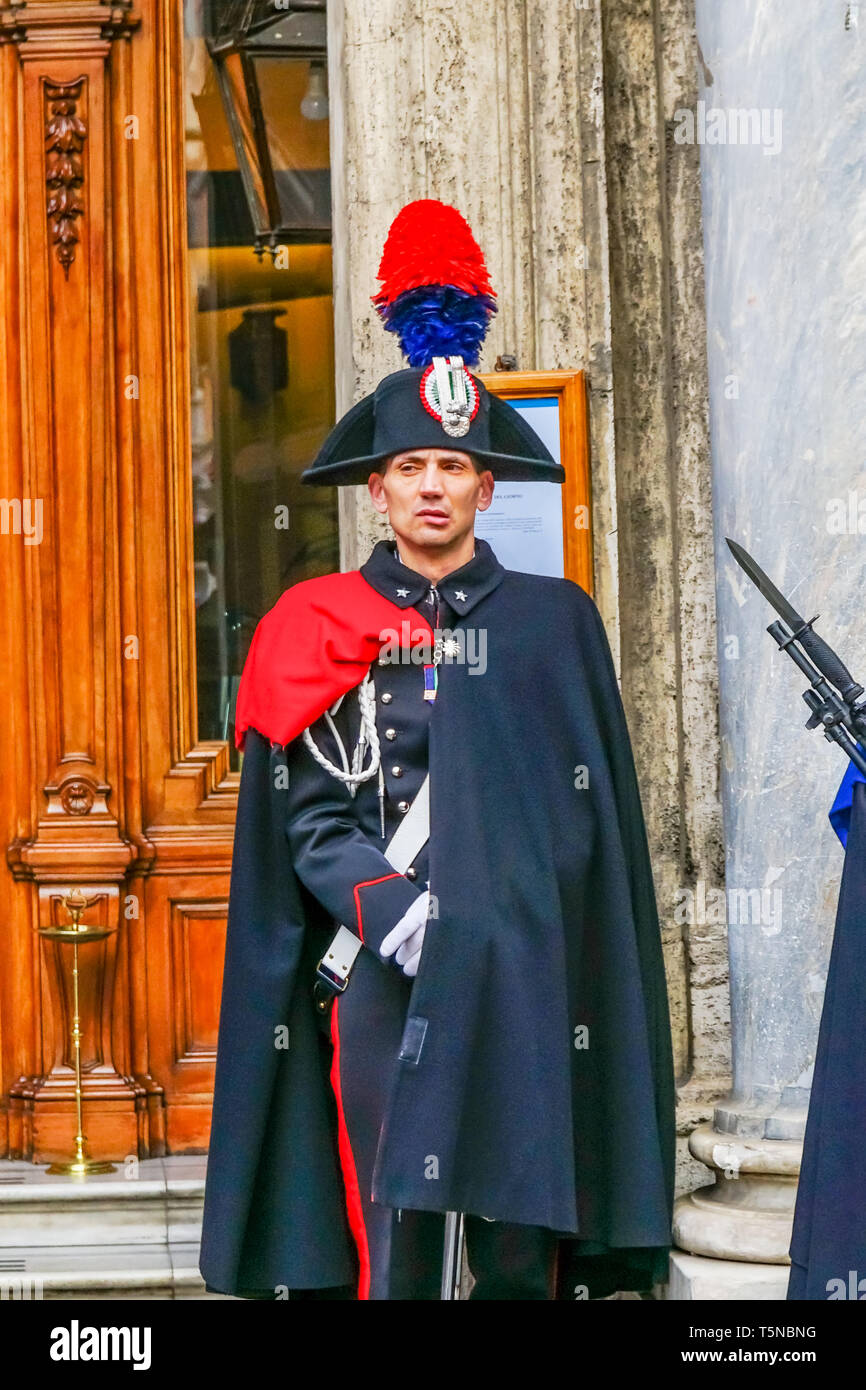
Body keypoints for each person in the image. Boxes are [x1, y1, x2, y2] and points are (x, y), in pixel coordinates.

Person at [199, 199, 676, 1301]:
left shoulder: (554, 622)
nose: (429, 485)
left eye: (451, 468)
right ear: (376, 487)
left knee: (518, 1236)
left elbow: (589, 824)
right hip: (386, 968)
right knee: (394, 1230)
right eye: (409, 466)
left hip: (524, 972)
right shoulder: (314, 624)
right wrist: (393, 913)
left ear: (484, 486)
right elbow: (309, 819)